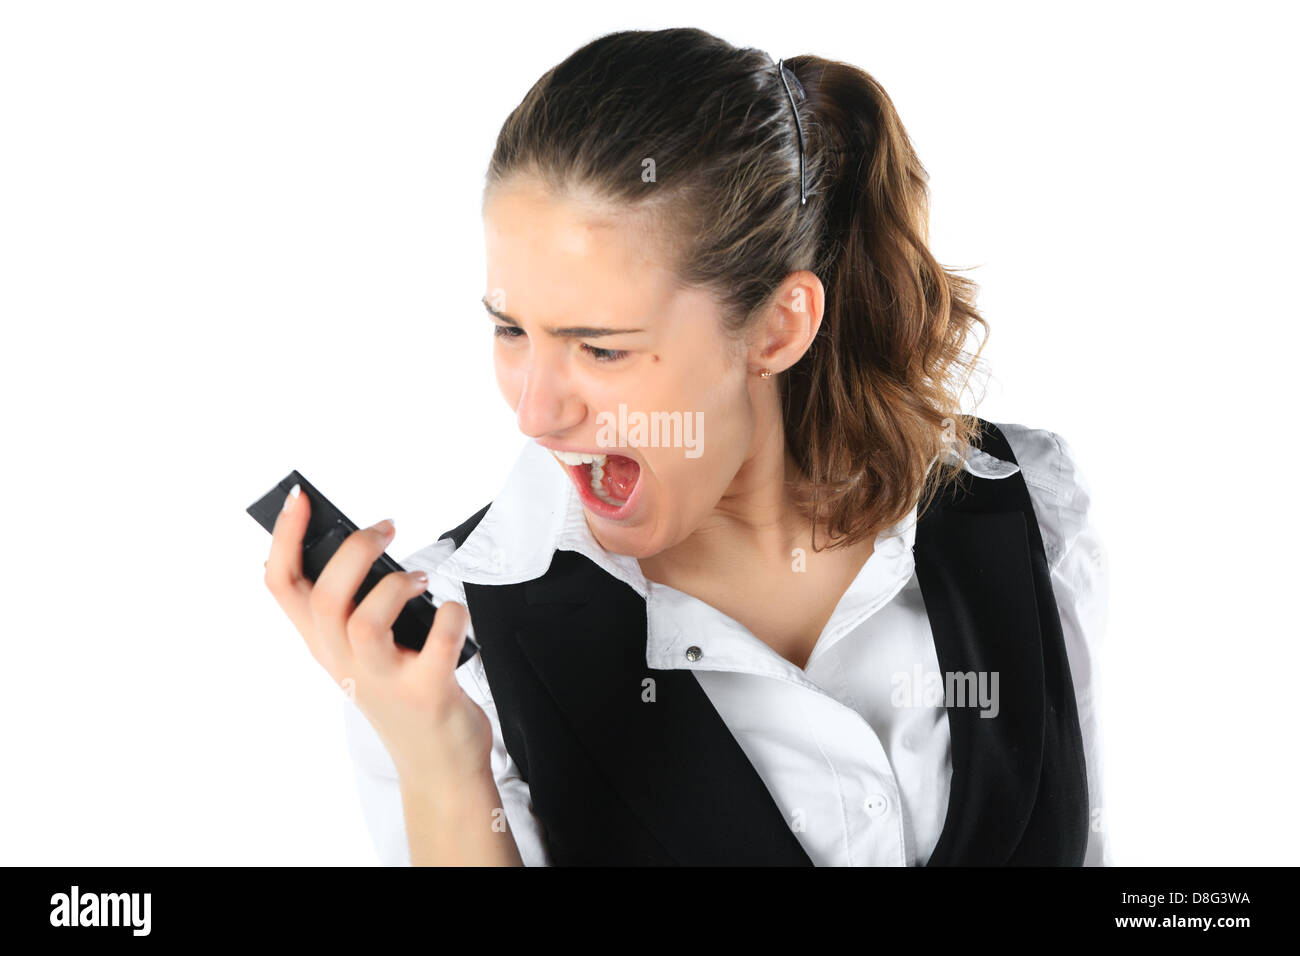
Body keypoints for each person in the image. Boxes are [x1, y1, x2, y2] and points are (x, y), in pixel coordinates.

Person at [264, 27, 1109, 866]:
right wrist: (443, 770)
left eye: (601, 349)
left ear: (778, 327)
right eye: (511, 330)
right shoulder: (450, 655)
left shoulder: (1022, 508)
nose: (535, 412)